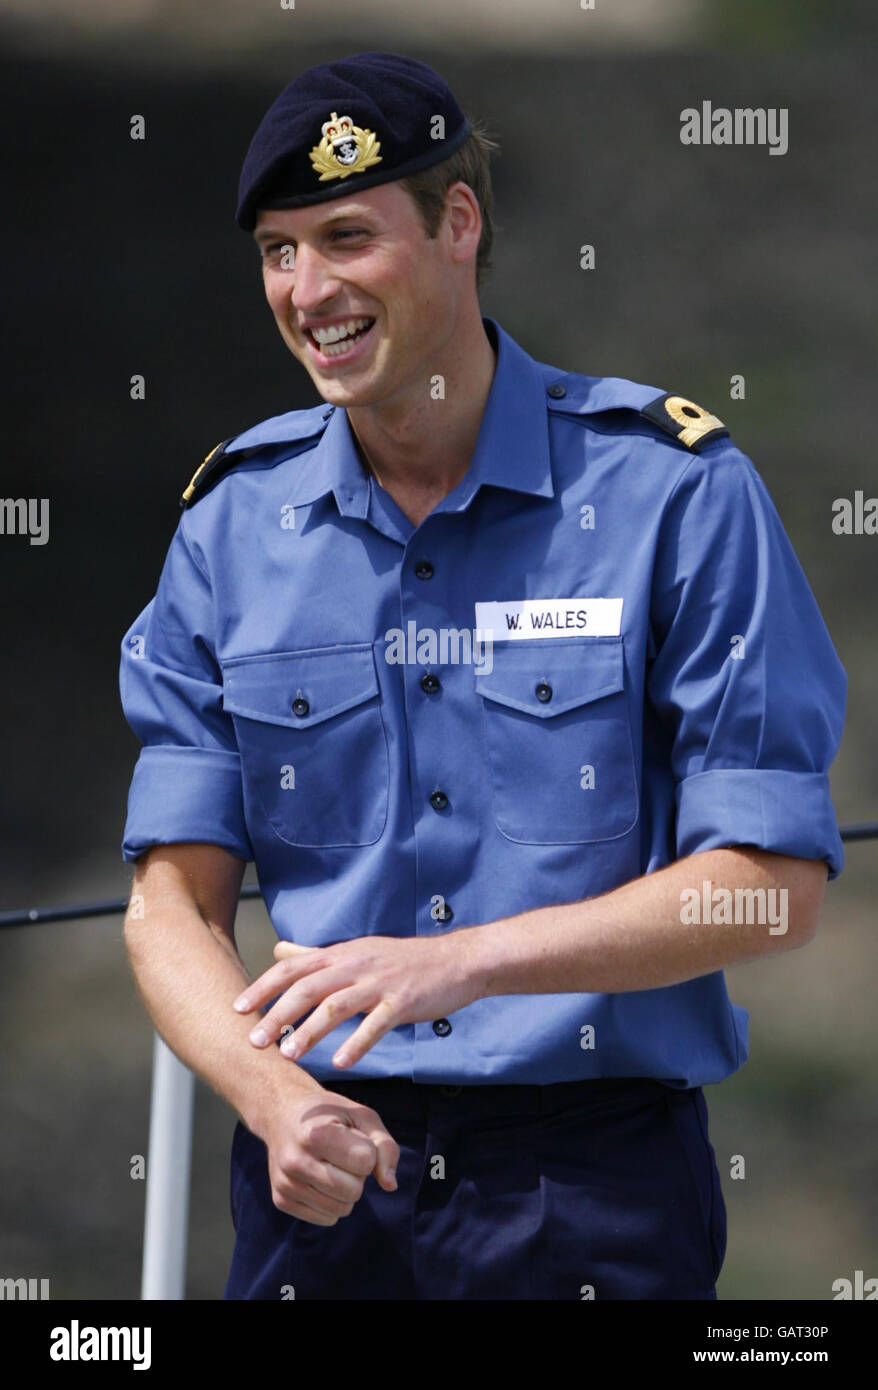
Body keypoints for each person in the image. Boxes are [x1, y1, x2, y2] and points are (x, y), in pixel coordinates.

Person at [119, 51, 847, 1300]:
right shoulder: (229, 525)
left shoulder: (671, 491)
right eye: (279, 252)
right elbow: (167, 908)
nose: (307, 290)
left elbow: (768, 891)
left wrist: (462, 961)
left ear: (457, 223)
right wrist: (270, 1093)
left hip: (590, 1189)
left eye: (347, 238)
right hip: (319, 1171)